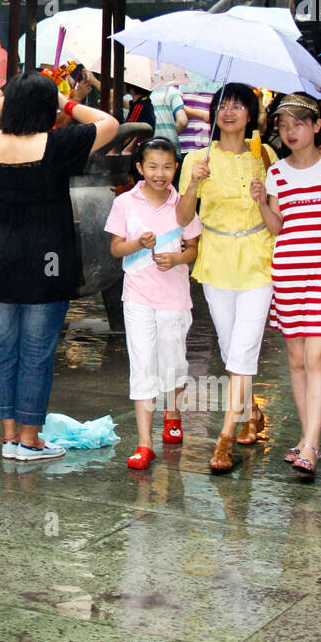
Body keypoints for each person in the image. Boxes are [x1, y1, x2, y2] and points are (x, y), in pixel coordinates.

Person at [0, 72, 118, 460]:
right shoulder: (59, 143)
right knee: (37, 350)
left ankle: (10, 437)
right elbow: (110, 124)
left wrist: (10, 97)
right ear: (47, 110)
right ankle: (30, 439)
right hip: (46, 262)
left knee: (3, 348)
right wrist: (65, 101)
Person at [176, 84, 277, 473]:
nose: (229, 112)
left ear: (250, 115)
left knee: (244, 349)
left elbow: (275, 216)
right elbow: (183, 219)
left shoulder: (264, 156)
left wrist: (261, 196)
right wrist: (195, 183)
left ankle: (223, 439)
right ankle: (250, 410)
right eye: (223, 106)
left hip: (257, 260)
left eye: (238, 106)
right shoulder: (197, 158)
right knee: (229, 347)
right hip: (217, 260)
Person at [251, 94, 321, 478]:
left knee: (317, 356)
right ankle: (306, 439)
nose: (290, 132)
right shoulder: (277, 172)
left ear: (317, 126)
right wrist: (260, 203)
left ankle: (312, 444)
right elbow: (278, 226)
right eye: (283, 126)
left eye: (298, 124)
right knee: (297, 360)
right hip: (288, 271)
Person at [105, 138, 201, 469]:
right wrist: (137, 244)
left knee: (173, 362)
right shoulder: (125, 203)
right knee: (142, 363)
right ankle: (144, 442)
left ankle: (172, 412)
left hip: (174, 298)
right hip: (137, 296)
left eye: (168, 167)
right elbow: (116, 249)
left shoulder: (183, 204)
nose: (161, 174)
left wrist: (177, 259)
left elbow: (193, 248)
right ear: (140, 168)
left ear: (176, 167)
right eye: (153, 167)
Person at [149, 82, 189, 155]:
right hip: (171, 150)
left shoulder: (135, 97)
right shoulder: (172, 92)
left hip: (149, 152)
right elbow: (182, 121)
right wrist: (169, 134)